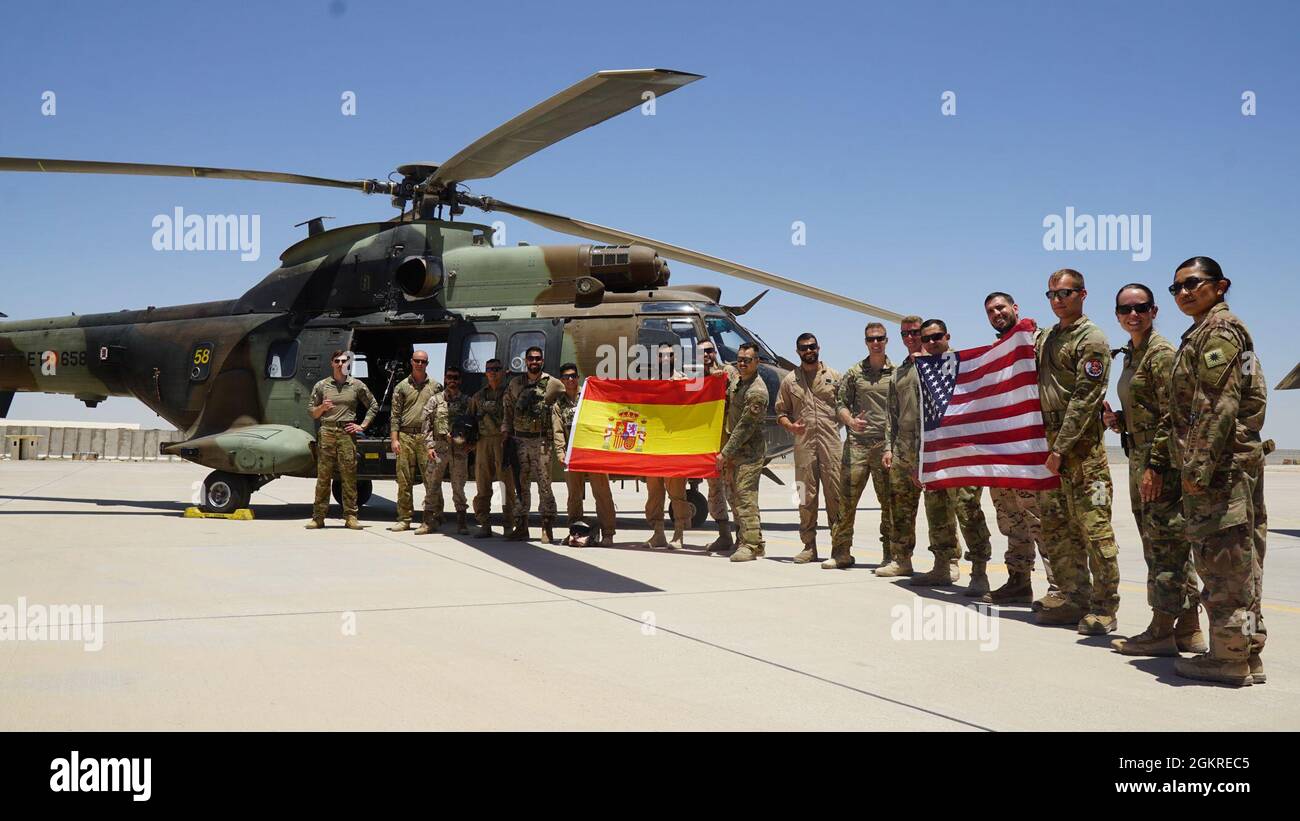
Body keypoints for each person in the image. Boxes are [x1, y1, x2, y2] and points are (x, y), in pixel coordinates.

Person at [1147, 256, 1267, 686]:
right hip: (1231, 464)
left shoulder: (1217, 331)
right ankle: (1247, 653)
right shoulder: (1207, 332)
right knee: (1242, 564)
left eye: (1193, 283)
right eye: (1176, 287)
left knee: (1223, 566)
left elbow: (1216, 405)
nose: (1183, 292)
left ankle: (1228, 658)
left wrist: (1195, 470)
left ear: (1220, 285)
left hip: (1217, 470)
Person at [1104, 284, 1205, 656]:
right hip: (1140, 457)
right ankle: (1190, 628)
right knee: (1167, 543)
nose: (1134, 314)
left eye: (1141, 308)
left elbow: (1175, 415)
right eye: (1126, 309)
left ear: (1154, 311)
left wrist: (1157, 466)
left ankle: (1162, 629)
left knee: (1163, 546)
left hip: (1158, 464)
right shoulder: (1133, 354)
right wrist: (1119, 419)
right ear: (1117, 314)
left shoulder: (1160, 354)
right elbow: (1148, 409)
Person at [1035, 269, 1121, 634]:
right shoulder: (1048, 337)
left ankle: (1104, 607)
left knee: (1094, 529)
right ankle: (1073, 598)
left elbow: (1086, 400)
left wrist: (1060, 448)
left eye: (1065, 293)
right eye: (1052, 294)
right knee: (1057, 528)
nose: (1058, 300)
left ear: (1083, 295)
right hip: (1049, 445)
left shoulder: (1093, 339)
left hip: (1081, 450)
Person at [906, 319, 994, 593]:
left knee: (968, 513)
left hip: (963, 456)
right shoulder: (920, 371)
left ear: (947, 336)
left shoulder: (963, 366)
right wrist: (916, 461)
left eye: (937, 337)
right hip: (933, 456)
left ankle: (979, 571)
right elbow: (916, 419)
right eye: (927, 338)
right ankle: (942, 566)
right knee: (937, 514)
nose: (932, 342)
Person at [980, 292, 1056, 603]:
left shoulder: (1038, 341)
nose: (996, 313)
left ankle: (1058, 586)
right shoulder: (996, 353)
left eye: (1001, 307)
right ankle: (1018, 581)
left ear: (1014, 308)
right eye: (990, 311)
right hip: (1002, 453)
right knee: (1011, 520)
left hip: (1029, 451)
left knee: (1040, 520)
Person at [826, 324, 893, 570]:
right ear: (866, 342)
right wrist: (850, 421)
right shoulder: (854, 372)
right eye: (871, 339)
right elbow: (840, 403)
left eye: (880, 339)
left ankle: (890, 555)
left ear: (886, 340)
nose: (876, 343)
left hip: (884, 445)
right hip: (856, 445)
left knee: (888, 503)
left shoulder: (895, 373)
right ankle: (841, 552)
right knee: (846, 501)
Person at [775, 332, 843, 564]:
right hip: (803, 446)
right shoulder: (790, 381)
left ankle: (840, 548)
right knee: (804, 495)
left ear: (818, 347)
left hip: (831, 445)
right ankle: (808, 546)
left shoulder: (834, 377)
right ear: (798, 352)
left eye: (812, 347)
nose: (808, 351)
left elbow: (846, 408)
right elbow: (780, 412)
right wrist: (790, 426)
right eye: (804, 348)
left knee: (835, 495)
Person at [305, 350, 377, 530]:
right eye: (337, 361)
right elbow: (312, 412)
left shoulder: (356, 385)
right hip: (327, 430)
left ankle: (351, 516)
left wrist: (362, 426)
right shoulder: (322, 386)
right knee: (323, 477)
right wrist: (322, 407)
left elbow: (373, 406)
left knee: (349, 477)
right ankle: (318, 517)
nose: (340, 364)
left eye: (344, 361)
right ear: (332, 363)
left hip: (347, 432)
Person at [553, 362, 616, 546]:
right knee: (574, 496)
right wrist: (560, 453)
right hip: (572, 455)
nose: (570, 380)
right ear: (562, 380)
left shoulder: (590, 396)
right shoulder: (559, 404)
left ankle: (608, 533)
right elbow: (557, 431)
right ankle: (575, 531)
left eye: (573, 376)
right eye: (566, 377)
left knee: (602, 494)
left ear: (578, 377)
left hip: (593, 453)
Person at [503, 346, 562, 542]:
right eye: (531, 358)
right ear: (525, 361)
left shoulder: (553, 383)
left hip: (541, 441)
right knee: (521, 484)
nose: (534, 362)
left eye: (537, 358)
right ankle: (521, 526)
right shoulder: (515, 383)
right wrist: (506, 433)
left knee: (544, 484)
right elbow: (508, 409)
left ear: (542, 361)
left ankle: (547, 526)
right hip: (519, 440)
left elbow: (566, 397)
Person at [881, 315, 925, 576]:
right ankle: (902, 560)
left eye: (915, 332)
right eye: (905, 334)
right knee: (900, 507)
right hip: (903, 447)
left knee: (939, 509)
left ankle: (947, 561)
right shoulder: (899, 371)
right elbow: (891, 415)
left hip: (930, 446)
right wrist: (888, 447)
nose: (910, 338)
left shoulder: (938, 363)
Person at [718, 342, 769, 562]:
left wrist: (724, 453)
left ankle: (750, 545)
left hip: (749, 452)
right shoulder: (738, 380)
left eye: (747, 360)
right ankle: (750, 541)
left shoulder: (756, 391)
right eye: (739, 359)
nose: (742, 363)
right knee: (734, 496)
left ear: (756, 362)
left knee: (745, 497)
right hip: (735, 452)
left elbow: (744, 428)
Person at [643, 343, 694, 550]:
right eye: (662, 356)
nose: (666, 359)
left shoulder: (684, 381)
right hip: (654, 444)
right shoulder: (650, 384)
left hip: (675, 444)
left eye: (670, 355)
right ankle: (658, 534)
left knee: (677, 492)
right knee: (654, 492)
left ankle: (679, 533)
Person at [388, 351, 441, 532]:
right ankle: (404, 518)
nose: (419, 364)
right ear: (411, 362)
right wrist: (394, 440)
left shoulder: (435, 387)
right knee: (404, 479)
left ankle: (432, 518)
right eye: (417, 361)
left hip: (426, 438)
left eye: (423, 361)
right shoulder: (401, 387)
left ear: (427, 363)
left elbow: (440, 416)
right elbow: (395, 416)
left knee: (431, 480)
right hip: (405, 437)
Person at [421, 365, 472, 535]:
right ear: (445, 379)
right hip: (439, 449)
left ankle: (462, 523)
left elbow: (475, 426)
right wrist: (429, 446)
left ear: (460, 381)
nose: (452, 381)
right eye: (449, 377)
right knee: (432, 485)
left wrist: (470, 445)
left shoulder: (467, 402)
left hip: (459, 451)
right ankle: (428, 521)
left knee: (459, 487)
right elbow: (426, 425)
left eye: (456, 378)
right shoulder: (435, 400)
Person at [470, 358, 515, 538]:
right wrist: (469, 442)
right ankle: (484, 523)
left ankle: (508, 524)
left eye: (497, 369)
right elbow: (470, 420)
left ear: (503, 371)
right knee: (483, 485)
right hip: (483, 443)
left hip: (504, 442)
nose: (493, 372)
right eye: (489, 369)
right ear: (486, 373)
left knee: (507, 485)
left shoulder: (510, 395)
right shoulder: (478, 396)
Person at [701, 341, 738, 552]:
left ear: (714, 352)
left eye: (708, 350)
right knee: (714, 491)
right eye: (701, 352)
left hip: (728, 443)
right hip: (710, 444)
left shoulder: (728, 372)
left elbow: (738, 393)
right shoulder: (696, 378)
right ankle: (724, 535)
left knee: (733, 491)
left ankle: (744, 536)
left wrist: (721, 380)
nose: (705, 355)